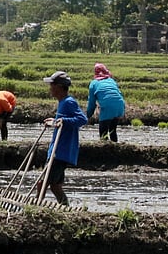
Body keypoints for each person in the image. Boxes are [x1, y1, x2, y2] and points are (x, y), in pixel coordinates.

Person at [40, 71, 88, 206]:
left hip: (61, 151)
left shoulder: (69, 102)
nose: (50, 88)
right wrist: (55, 120)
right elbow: (63, 120)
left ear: (59, 87)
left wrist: (63, 121)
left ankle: (33, 207)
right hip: (57, 149)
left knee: (42, 182)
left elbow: (82, 119)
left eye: (52, 85)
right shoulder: (62, 102)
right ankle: (65, 208)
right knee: (55, 185)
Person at [86, 63, 126, 142]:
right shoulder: (111, 81)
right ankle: (115, 149)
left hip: (108, 106)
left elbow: (91, 102)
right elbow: (119, 93)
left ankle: (105, 150)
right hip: (119, 105)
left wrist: (88, 115)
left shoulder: (93, 83)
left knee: (103, 133)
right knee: (113, 130)